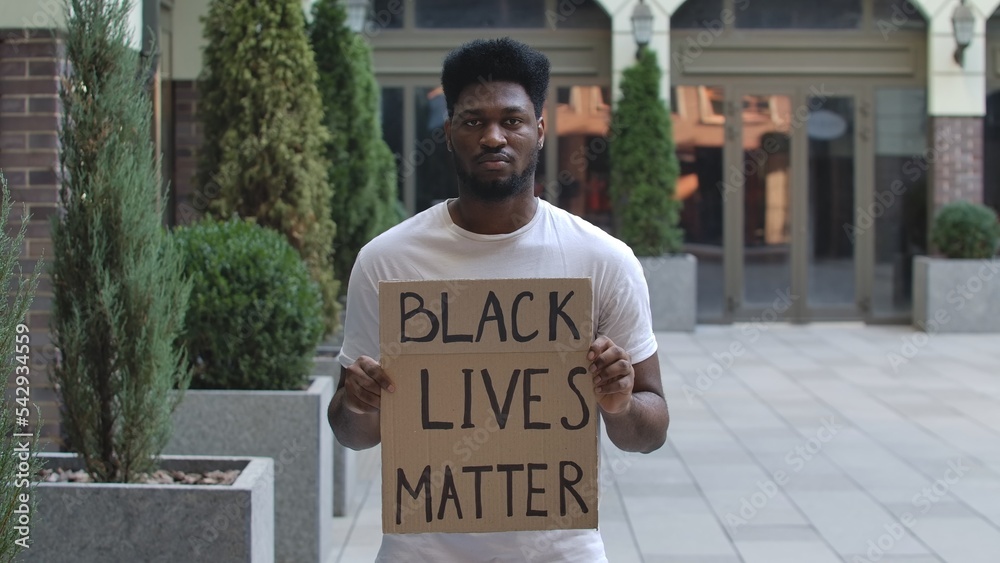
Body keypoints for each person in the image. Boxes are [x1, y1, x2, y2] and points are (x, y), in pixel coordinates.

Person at [328, 37, 669, 563]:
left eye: (511, 120)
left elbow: (650, 431)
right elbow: (351, 433)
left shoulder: (603, 260)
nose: (493, 137)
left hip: (559, 551)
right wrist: (357, 401)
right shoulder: (387, 262)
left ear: (539, 130)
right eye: (473, 121)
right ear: (448, 133)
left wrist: (620, 403)